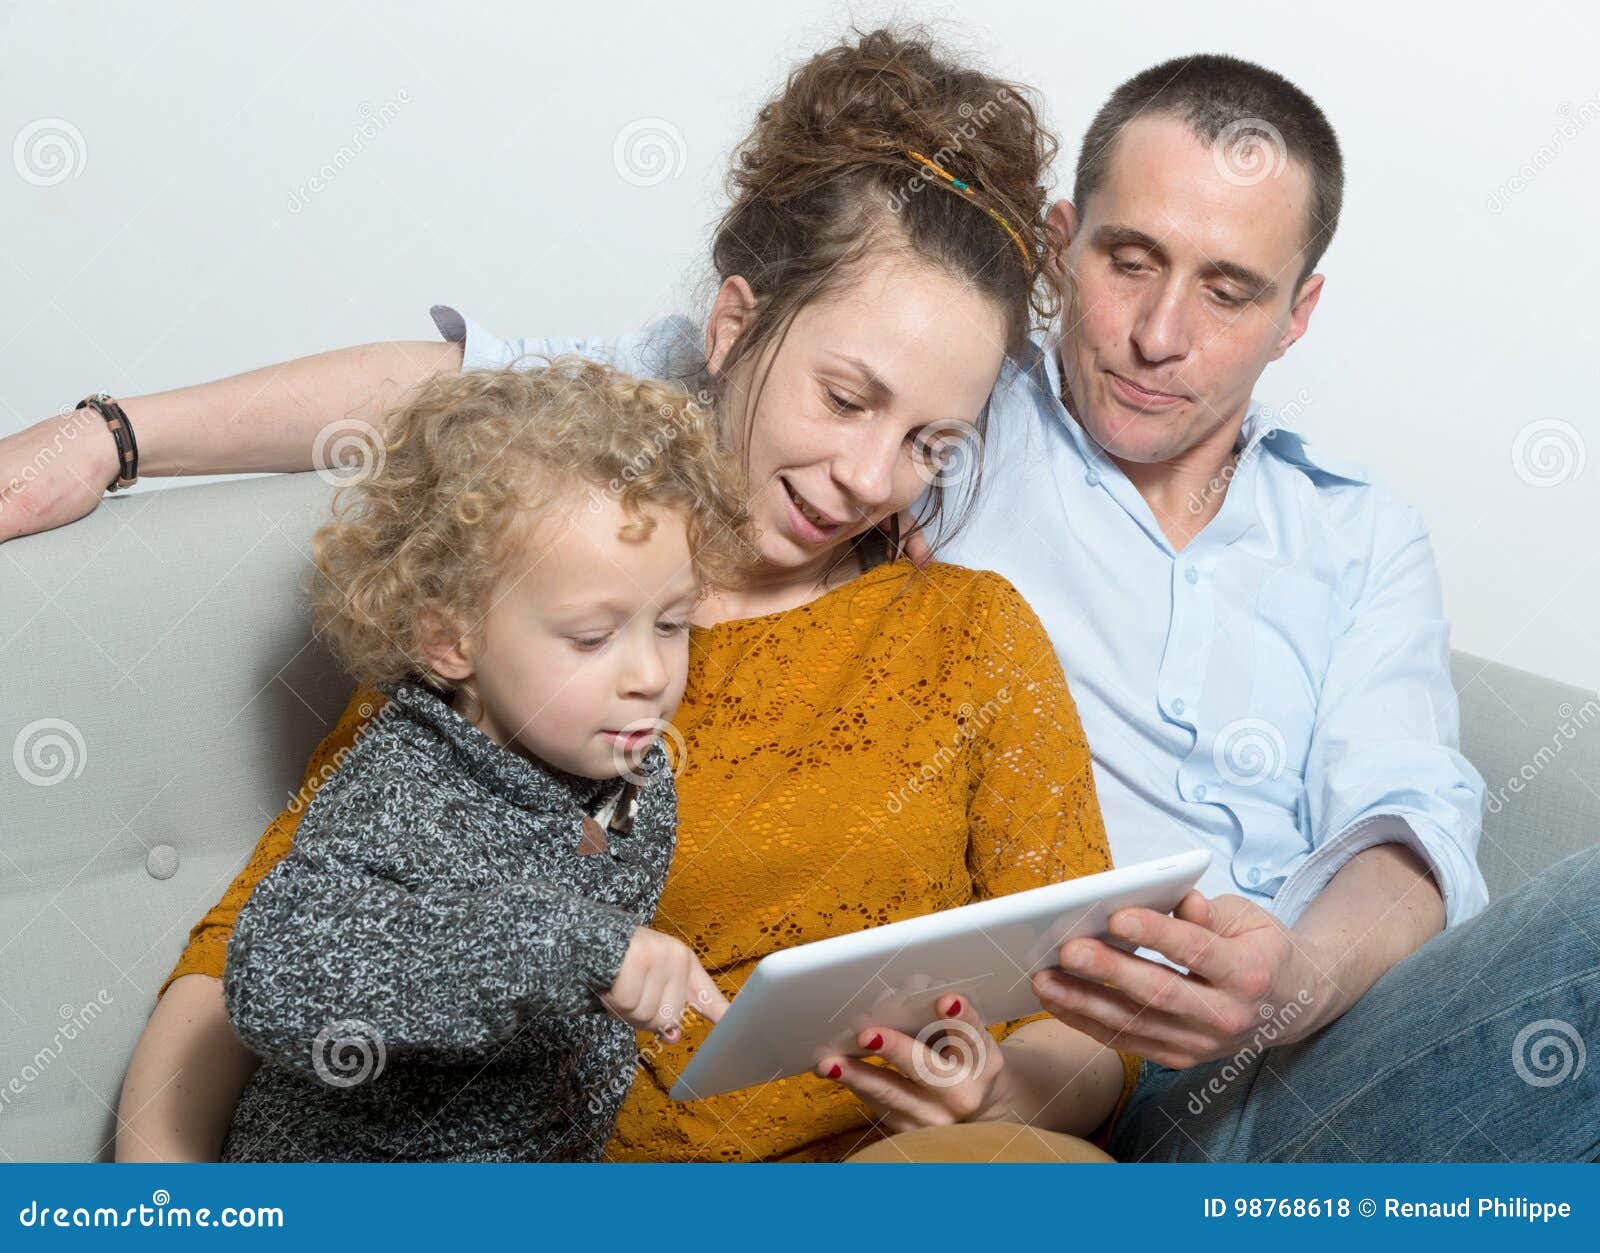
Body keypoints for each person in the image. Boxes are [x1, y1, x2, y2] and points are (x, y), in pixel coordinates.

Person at [103, 28, 1140, 1164]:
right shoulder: (537, 587)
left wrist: (998, 1088)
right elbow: (266, 938)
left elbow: (1090, 1028)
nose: (870, 476)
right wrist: (167, 1198)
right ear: (735, 326)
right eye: (845, 398)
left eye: (929, 442)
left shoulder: (969, 638)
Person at [220, 359, 752, 1161]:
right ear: (451, 638)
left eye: (671, 624)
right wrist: (566, 946)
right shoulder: (405, 784)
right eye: (591, 637)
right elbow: (273, 970)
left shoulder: (630, 774)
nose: (650, 674)